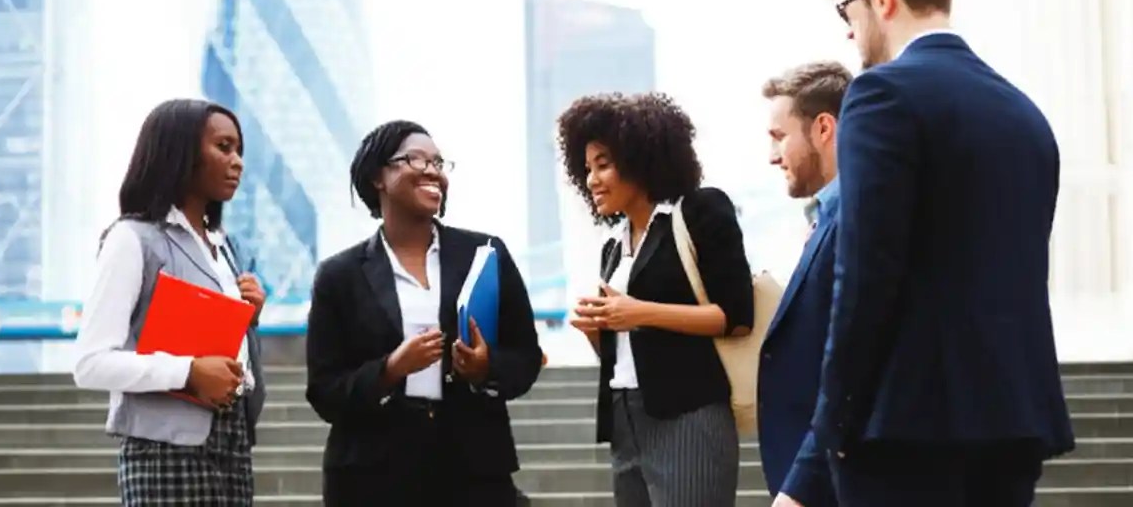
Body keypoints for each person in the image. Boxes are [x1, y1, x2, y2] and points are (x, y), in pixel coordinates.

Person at [814, 0, 1075, 505]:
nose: (851, 34)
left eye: (847, 11)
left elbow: (864, 274)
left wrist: (832, 421)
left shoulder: (881, 95)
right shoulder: (1024, 114)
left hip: (906, 427)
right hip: (1012, 422)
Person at [305, 120, 543, 507]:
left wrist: (484, 367)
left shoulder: (484, 254)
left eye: (438, 162)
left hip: (473, 469)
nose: (432, 170)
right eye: (415, 159)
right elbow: (324, 390)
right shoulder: (339, 275)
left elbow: (526, 356)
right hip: (372, 474)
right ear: (378, 177)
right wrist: (391, 369)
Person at [558, 92, 754, 507]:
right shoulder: (613, 246)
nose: (591, 179)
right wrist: (599, 331)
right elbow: (626, 348)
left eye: (604, 165)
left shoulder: (700, 211)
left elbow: (735, 315)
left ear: (640, 158)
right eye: (587, 168)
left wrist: (637, 312)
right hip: (625, 413)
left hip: (689, 414)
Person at [73, 99, 267, 506]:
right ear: (179, 152)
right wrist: (188, 372)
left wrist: (248, 322)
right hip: (164, 451)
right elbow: (90, 364)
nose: (237, 163)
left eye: (239, 151)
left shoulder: (224, 248)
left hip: (230, 442)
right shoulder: (134, 239)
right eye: (224, 147)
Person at [757, 61, 851, 507]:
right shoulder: (824, 219)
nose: (773, 157)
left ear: (823, 128)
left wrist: (801, 486)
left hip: (830, 476)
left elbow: (850, 364)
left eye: (779, 138)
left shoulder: (857, 219)